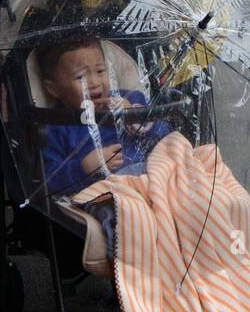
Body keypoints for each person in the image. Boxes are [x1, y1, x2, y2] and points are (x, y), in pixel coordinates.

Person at [39, 38, 171, 198]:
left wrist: (134, 116)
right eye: (80, 77)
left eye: (100, 71)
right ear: (54, 89)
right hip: (108, 194)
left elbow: (166, 136)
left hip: (155, 177)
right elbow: (49, 180)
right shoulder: (58, 124)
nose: (94, 82)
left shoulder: (132, 99)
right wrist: (84, 167)